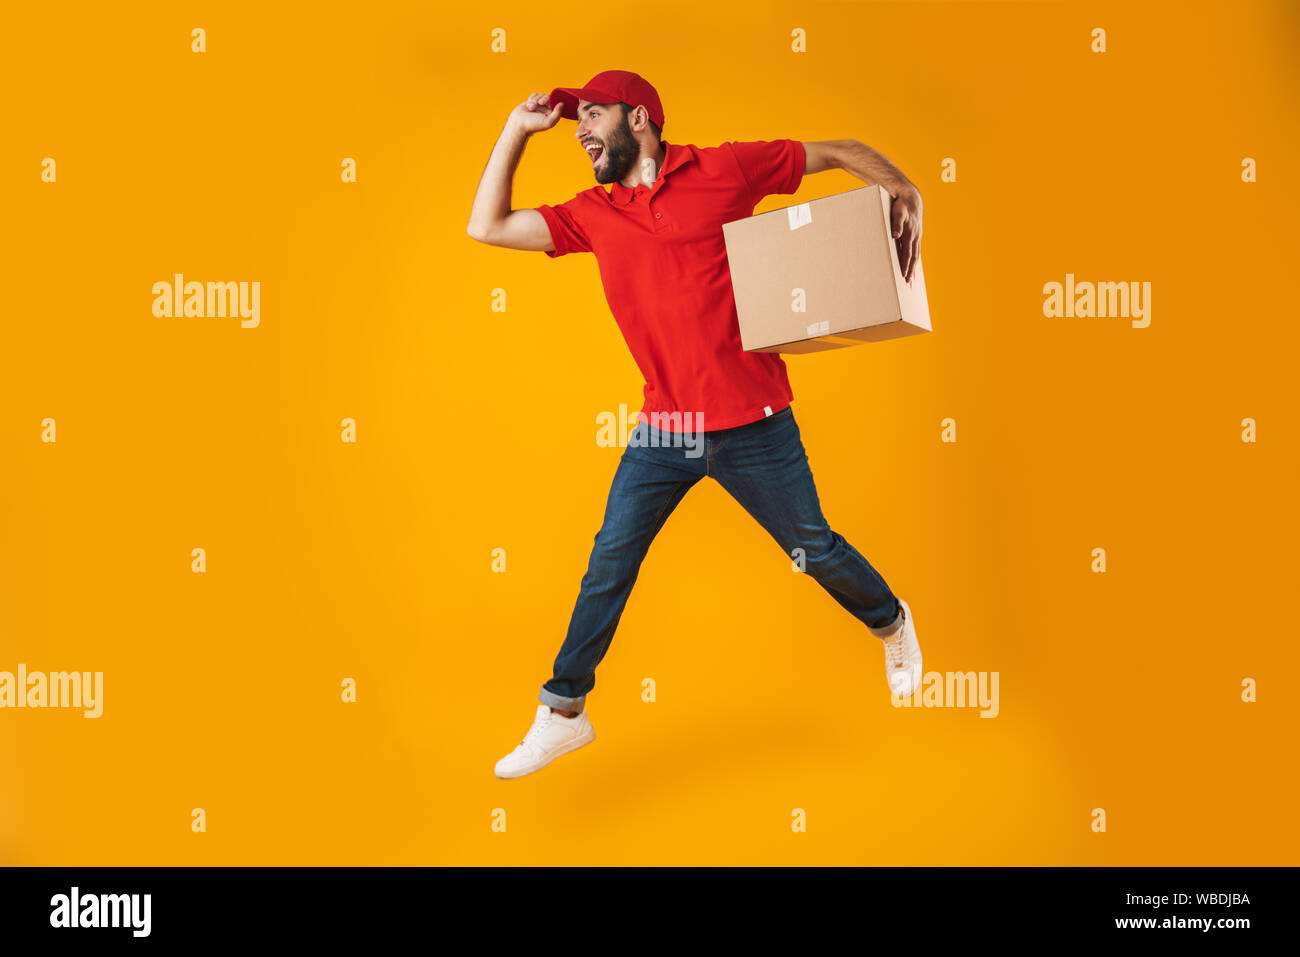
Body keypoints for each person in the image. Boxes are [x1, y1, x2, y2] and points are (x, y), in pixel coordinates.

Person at [467, 70, 925, 779]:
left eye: (592, 114)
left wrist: (905, 190)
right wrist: (514, 132)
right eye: (575, 120)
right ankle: (564, 711)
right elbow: (486, 226)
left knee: (815, 547)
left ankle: (892, 622)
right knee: (608, 565)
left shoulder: (725, 169)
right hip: (665, 429)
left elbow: (837, 150)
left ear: (639, 117)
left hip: (755, 421)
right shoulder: (593, 212)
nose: (581, 130)